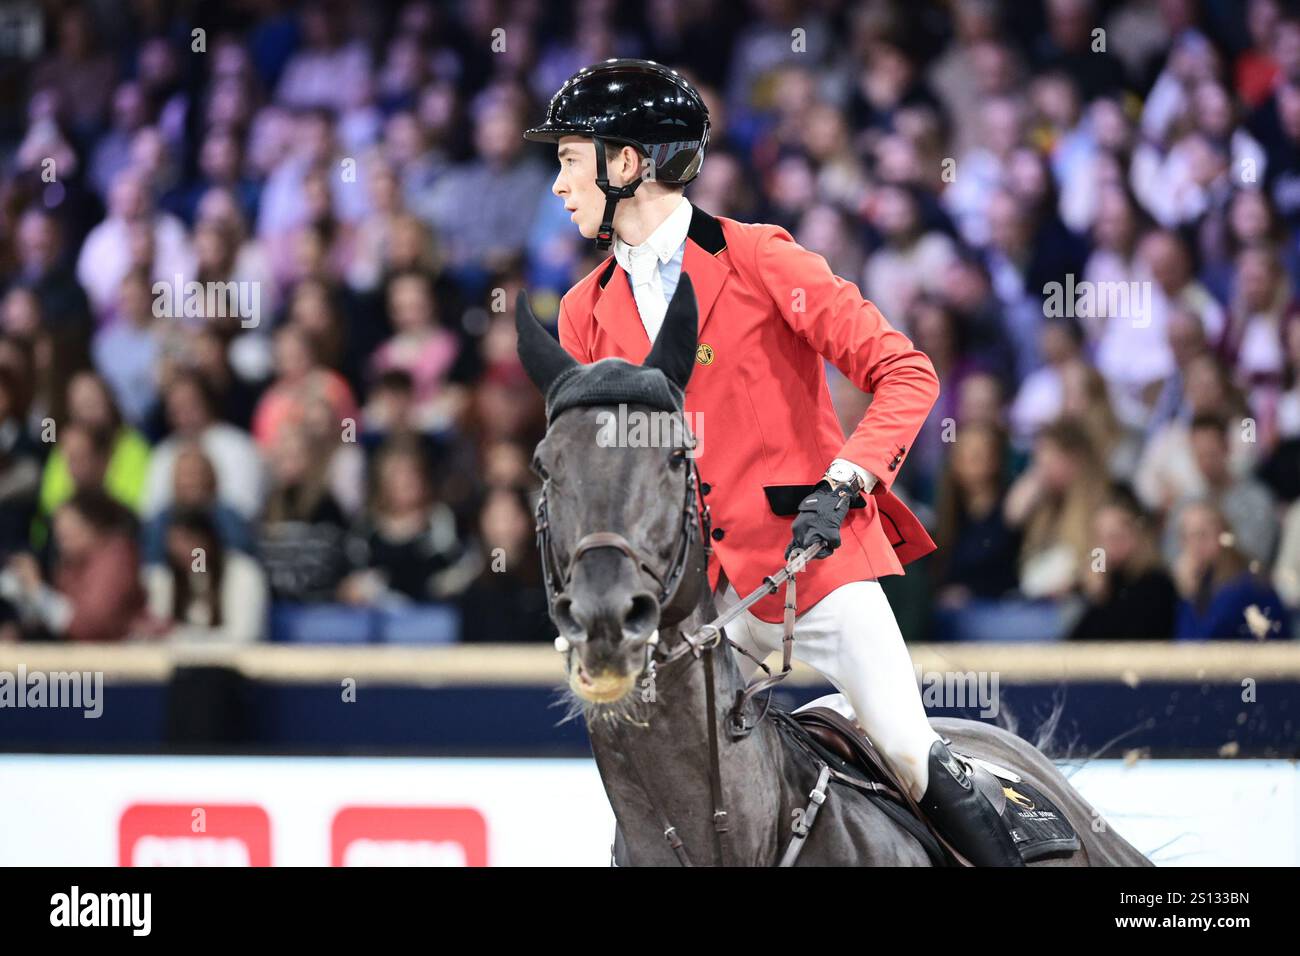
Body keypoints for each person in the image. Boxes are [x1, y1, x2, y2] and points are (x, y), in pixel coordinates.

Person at [527, 59, 1022, 865]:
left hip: (809, 573)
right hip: (695, 607)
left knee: (904, 746)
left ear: (626, 163)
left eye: (568, 159)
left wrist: (848, 478)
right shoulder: (584, 312)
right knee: (652, 791)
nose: (558, 183)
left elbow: (906, 372)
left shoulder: (761, 259)